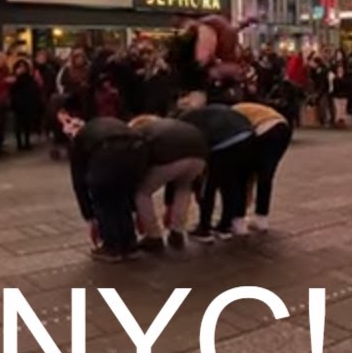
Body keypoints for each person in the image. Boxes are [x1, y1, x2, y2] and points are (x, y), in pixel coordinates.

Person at [58, 95, 148, 262]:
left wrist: (90, 217)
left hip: (107, 153)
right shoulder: (99, 124)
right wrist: (136, 209)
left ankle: (112, 246)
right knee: (120, 198)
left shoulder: (80, 141)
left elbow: (79, 182)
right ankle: (129, 245)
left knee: (102, 198)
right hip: (136, 149)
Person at [176, 101, 255, 241]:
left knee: (208, 185)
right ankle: (225, 226)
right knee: (231, 183)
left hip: (224, 143)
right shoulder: (206, 112)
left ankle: (204, 228)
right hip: (247, 136)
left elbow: (197, 144)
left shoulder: (185, 123)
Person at [128, 115, 208, 252]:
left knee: (142, 193)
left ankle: (153, 236)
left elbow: (141, 162)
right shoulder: (173, 124)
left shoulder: (142, 132)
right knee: (184, 188)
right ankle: (177, 231)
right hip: (200, 155)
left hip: (170, 157)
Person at [233, 100, 293, 234]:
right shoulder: (244, 108)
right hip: (283, 127)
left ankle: (238, 220)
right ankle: (262, 218)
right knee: (266, 174)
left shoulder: (231, 114)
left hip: (263, 128)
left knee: (244, 173)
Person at [9, 58, 42, 151]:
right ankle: (19, 143)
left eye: (23, 67)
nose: (22, 69)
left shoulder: (30, 78)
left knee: (27, 124)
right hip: (18, 104)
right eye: (20, 67)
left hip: (28, 103)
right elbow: (12, 91)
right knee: (18, 124)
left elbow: (34, 90)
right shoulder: (15, 78)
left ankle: (27, 142)